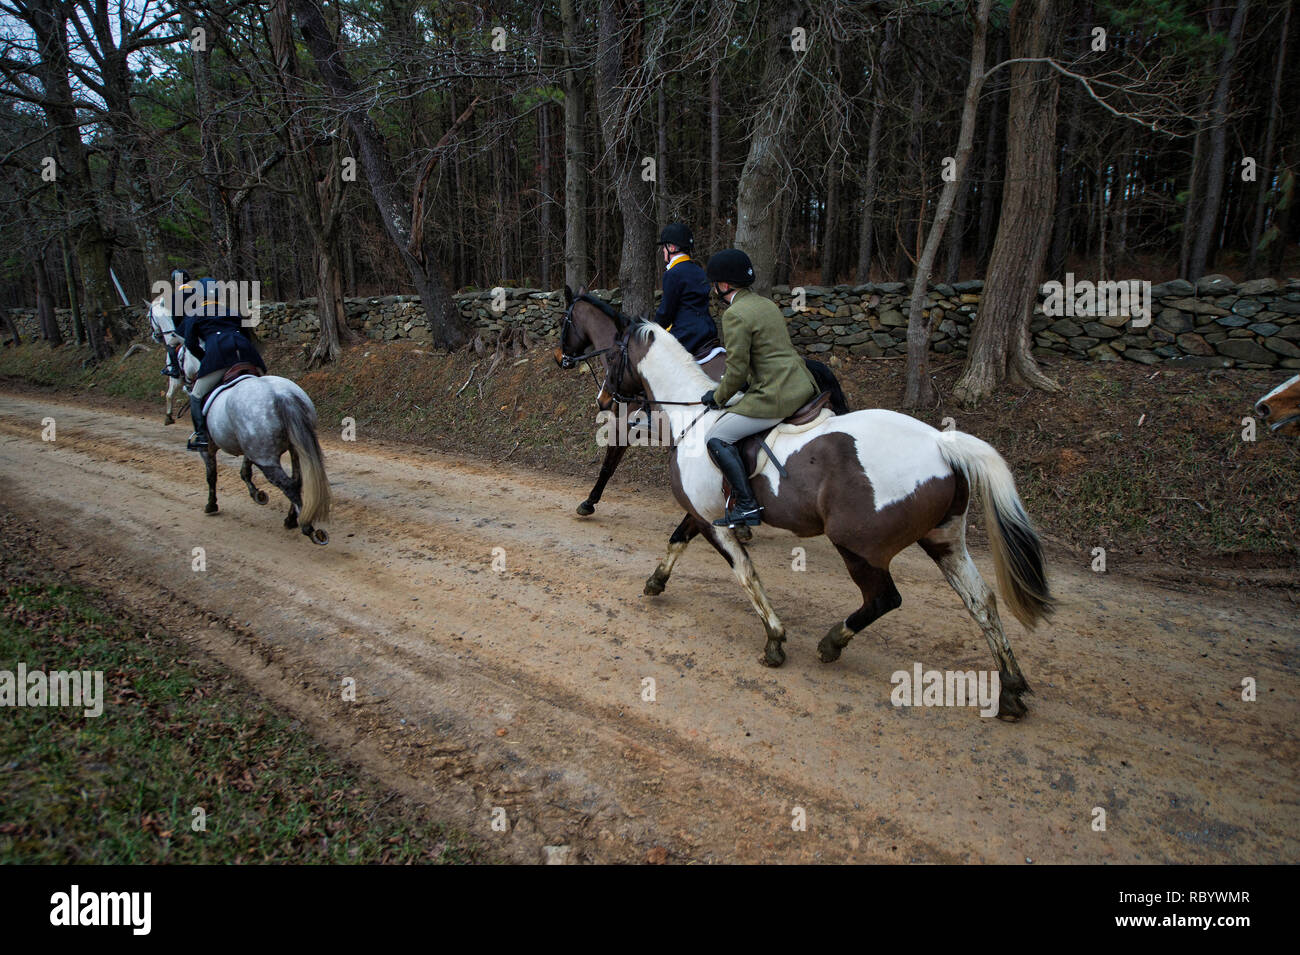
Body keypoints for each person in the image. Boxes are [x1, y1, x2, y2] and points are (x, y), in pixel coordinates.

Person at [700, 249, 817, 527]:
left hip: (775, 395)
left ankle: (748, 506)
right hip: (801, 384)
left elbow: (737, 370)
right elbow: (768, 355)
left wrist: (718, 397)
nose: (713, 287)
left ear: (724, 286)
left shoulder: (735, 315)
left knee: (717, 438)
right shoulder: (766, 304)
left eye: (714, 283)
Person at [182, 277, 265, 451]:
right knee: (265, 387)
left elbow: (190, 344)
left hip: (219, 357)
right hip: (246, 354)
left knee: (196, 396)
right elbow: (248, 336)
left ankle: (202, 437)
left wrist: (206, 359)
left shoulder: (195, 314)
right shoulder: (232, 312)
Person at [655, 223, 718, 358]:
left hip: (687, 334)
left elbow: (666, 312)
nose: (663, 251)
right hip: (708, 331)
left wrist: (653, 329)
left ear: (671, 247)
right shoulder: (699, 271)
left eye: (664, 247)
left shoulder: (673, 274)